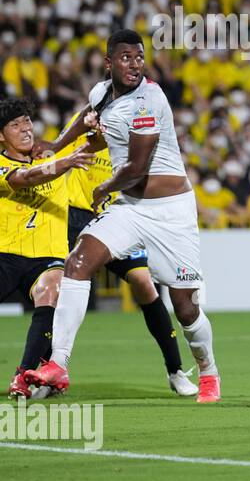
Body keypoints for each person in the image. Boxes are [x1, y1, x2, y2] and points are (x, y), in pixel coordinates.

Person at [26, 30, 222, 404]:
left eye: (139, 58)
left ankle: (209, 370)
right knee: (78, 262)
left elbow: (135, 168)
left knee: (184, 306)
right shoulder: (102, 93)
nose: (134, 64)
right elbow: (90, 119)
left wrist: (103, 189)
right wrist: (56, 145)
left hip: (170, 212)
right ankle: (58, 364)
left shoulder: (149, 100)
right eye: (126, 58)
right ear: (109, 62)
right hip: (131, 209)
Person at [61, 113, 193, 395]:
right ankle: (52, 369)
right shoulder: (86, 123)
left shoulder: (138, 135)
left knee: (144, 284)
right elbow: (59, 149)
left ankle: (175, 370)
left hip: (118, 217)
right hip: (75, 216)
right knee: (60, 290)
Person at [0, 97, 92, 397]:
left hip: (48, 256)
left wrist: (94, 124)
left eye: (27, 121)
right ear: (2, 136)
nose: (25, 128)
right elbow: (25, 178)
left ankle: (24, 376)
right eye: (15, 125)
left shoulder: (52, 149)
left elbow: (90, 134)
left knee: (51, 290)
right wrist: (65, 161)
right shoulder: (2, 164)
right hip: (6, 254)